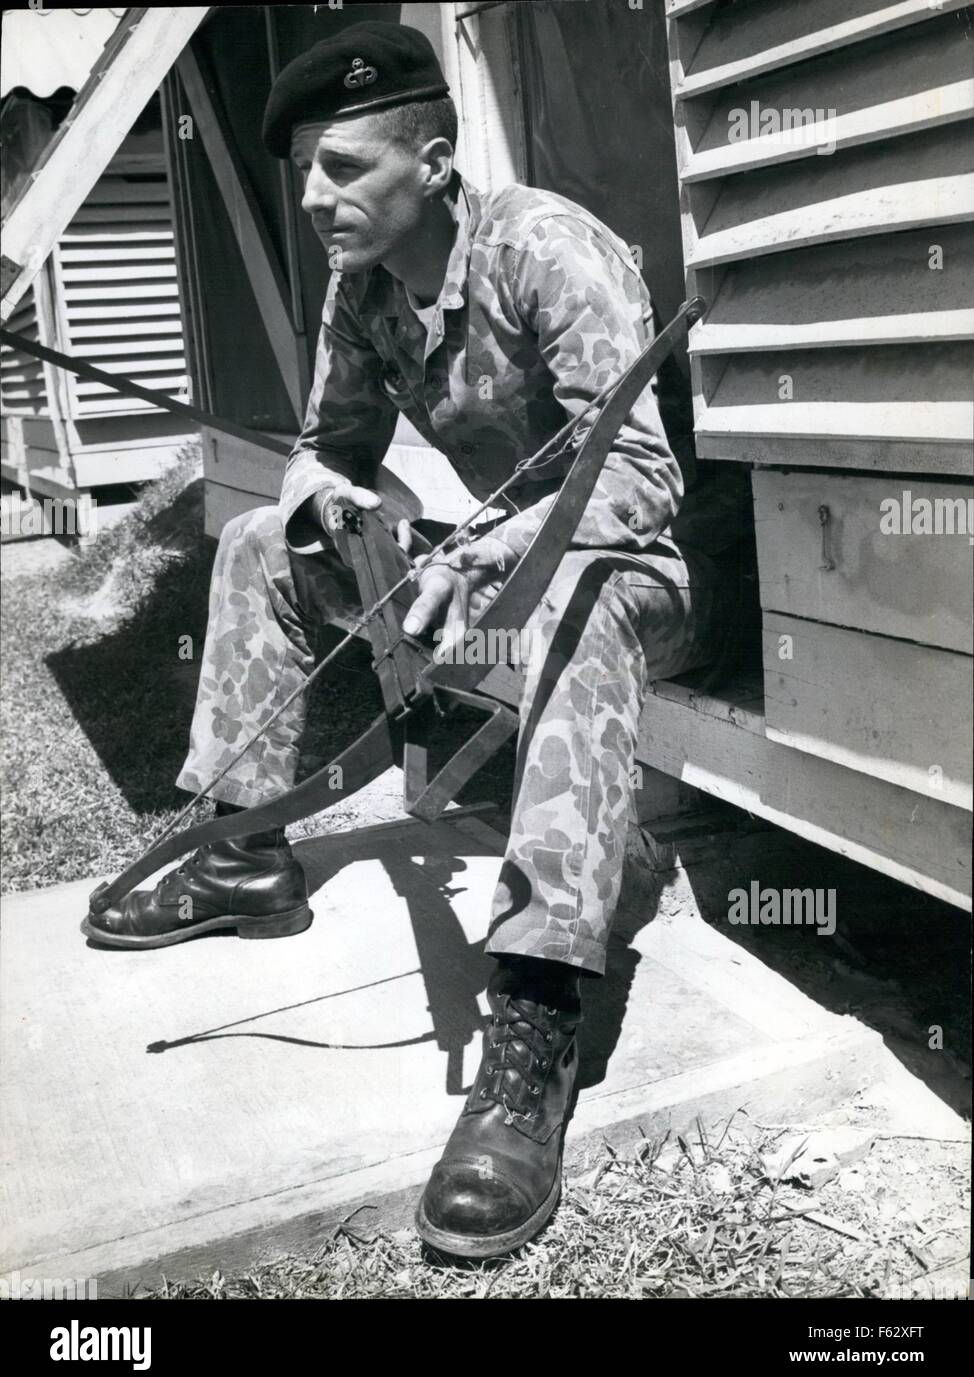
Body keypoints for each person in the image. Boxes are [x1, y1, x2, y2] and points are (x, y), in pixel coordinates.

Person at [82, 21, 731, 1259]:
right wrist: (334, 507)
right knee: (258, 548)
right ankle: (245, 854)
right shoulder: (365, 285)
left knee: (566, 606)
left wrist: (480, 555)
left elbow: (641, 476)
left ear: (432, 161)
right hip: (512, 553)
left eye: (343, 169)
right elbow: (330, 451)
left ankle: (534, 1018)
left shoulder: (545, 249)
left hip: (659, 570)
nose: (316, 199)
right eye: (309, 175)